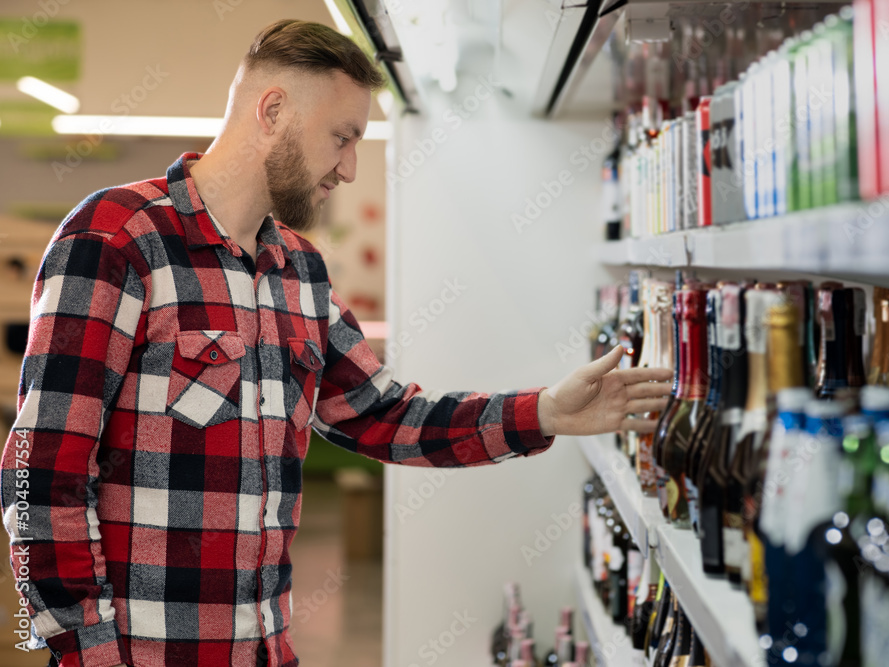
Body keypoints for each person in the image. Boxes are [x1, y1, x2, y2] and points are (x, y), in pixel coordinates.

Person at [0, 19, 671, 667]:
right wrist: (86, 649)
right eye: (342, 137)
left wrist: (547, 410)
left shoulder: (300, 270)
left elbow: (387, 415)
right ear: (272, 111)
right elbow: (38, 472)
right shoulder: (116, 238)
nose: (350, 168)